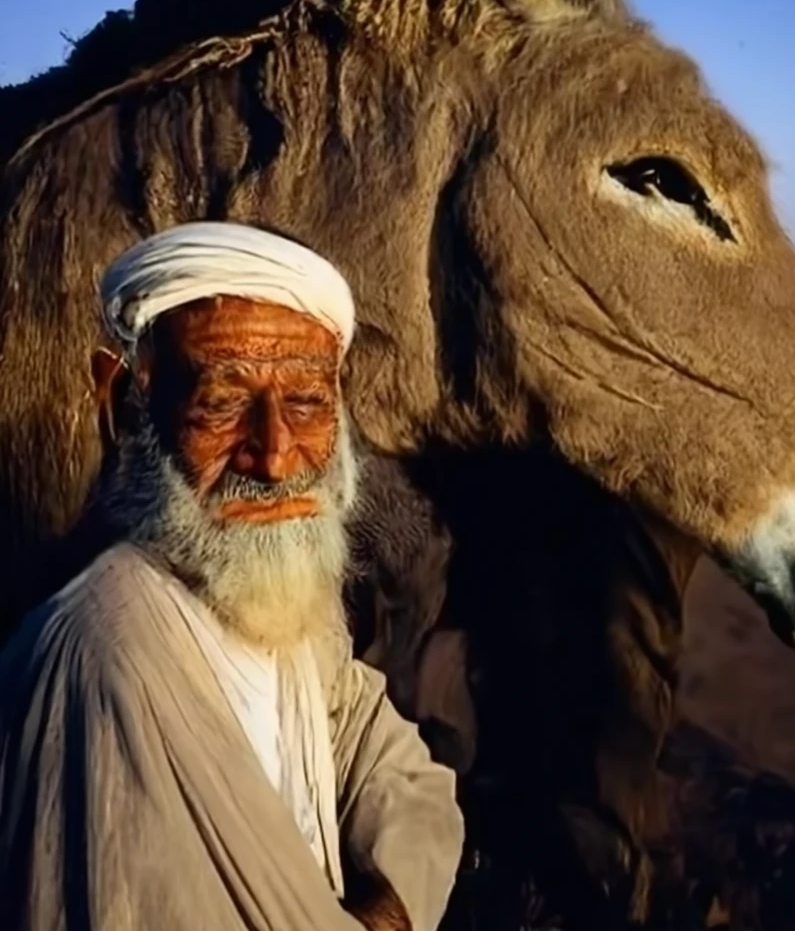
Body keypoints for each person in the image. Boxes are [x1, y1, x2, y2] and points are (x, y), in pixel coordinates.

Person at [0, 221, 464, 931]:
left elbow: (404, 779)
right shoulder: (104, 655)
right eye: (221, 402)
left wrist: (390, 909)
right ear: (126, 407)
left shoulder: (290, 624)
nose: (275, 456)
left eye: (306, 401)